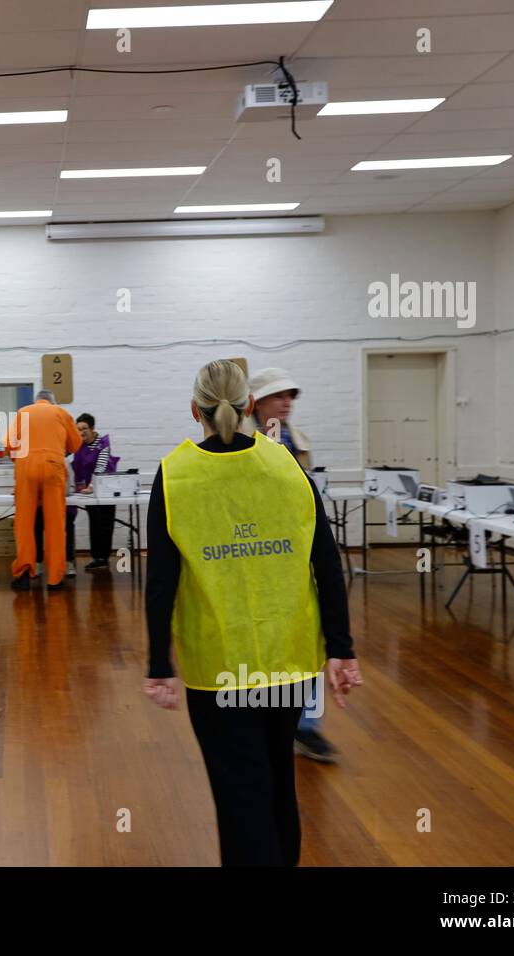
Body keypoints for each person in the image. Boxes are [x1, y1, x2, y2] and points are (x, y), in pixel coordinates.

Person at [144, 359, 360, 866]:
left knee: (240, 790)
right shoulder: (289, 467)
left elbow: (161, 583)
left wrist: (159, 663)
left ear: (194, 410)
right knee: (277, 780)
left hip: (217, 665)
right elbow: (327, 564)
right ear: (247, 408)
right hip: (288, 659)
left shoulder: (175, 475)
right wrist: (341, 650)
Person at [248, 367, 332, 762]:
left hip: (295, 552)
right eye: (278, 395)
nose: (286, 402)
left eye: (290, 396)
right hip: (253, 553)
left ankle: (306, 726)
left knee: (306, 638)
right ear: (256, 402)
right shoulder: (238, 443)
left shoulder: (297, 441)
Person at [5, 389, 82, 590]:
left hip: (25, 466)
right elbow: (75, 445)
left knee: (25, 523)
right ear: (52, 401)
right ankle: (55, 579)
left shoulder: (23, 412)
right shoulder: (61, 413)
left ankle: (23, 573)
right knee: (55, 524)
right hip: (52, 465)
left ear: (37, 401)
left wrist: (21, 459)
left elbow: (8, 444)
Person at [72, 413, 119, 572]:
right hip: (88, 492)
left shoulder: (103, 443)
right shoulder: (79, 445)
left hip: (106, 490)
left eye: (84, 429)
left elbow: (100, 466)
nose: (81, 433)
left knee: (105, 524)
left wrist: (92, 486)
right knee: (94, 523)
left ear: (92, 429)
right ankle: (96, 558)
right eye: (78, 429)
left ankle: (103, 558)